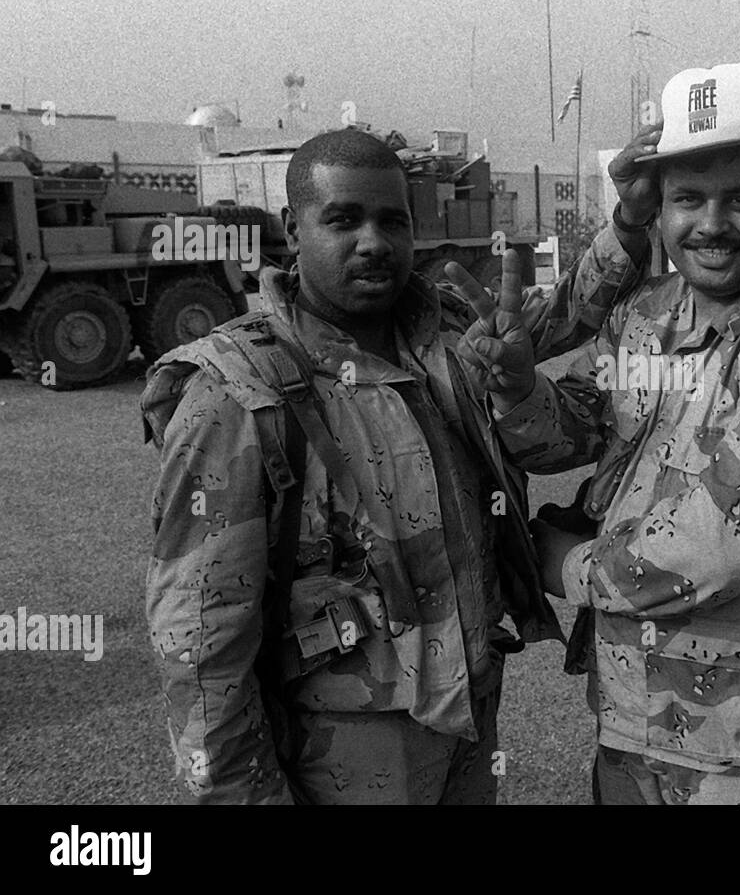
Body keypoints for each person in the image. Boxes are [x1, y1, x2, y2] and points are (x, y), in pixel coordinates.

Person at [458, 63, 740, 804]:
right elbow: (572, 430)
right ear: (658, 210)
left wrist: (567, 568)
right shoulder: (647, 313)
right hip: (631, 721)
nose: (710, 224)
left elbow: (723, 542)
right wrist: (518, 389)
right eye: (687, 199)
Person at [142, 127, 652, 804]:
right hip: (340, 753)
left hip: (467, 722)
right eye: (343, 219)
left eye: (392, 220)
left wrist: (627, 221)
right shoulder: (236, 393)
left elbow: (556, 318)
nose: (374, 241)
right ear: (294, 229)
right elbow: (201, 647)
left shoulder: (444, 334)